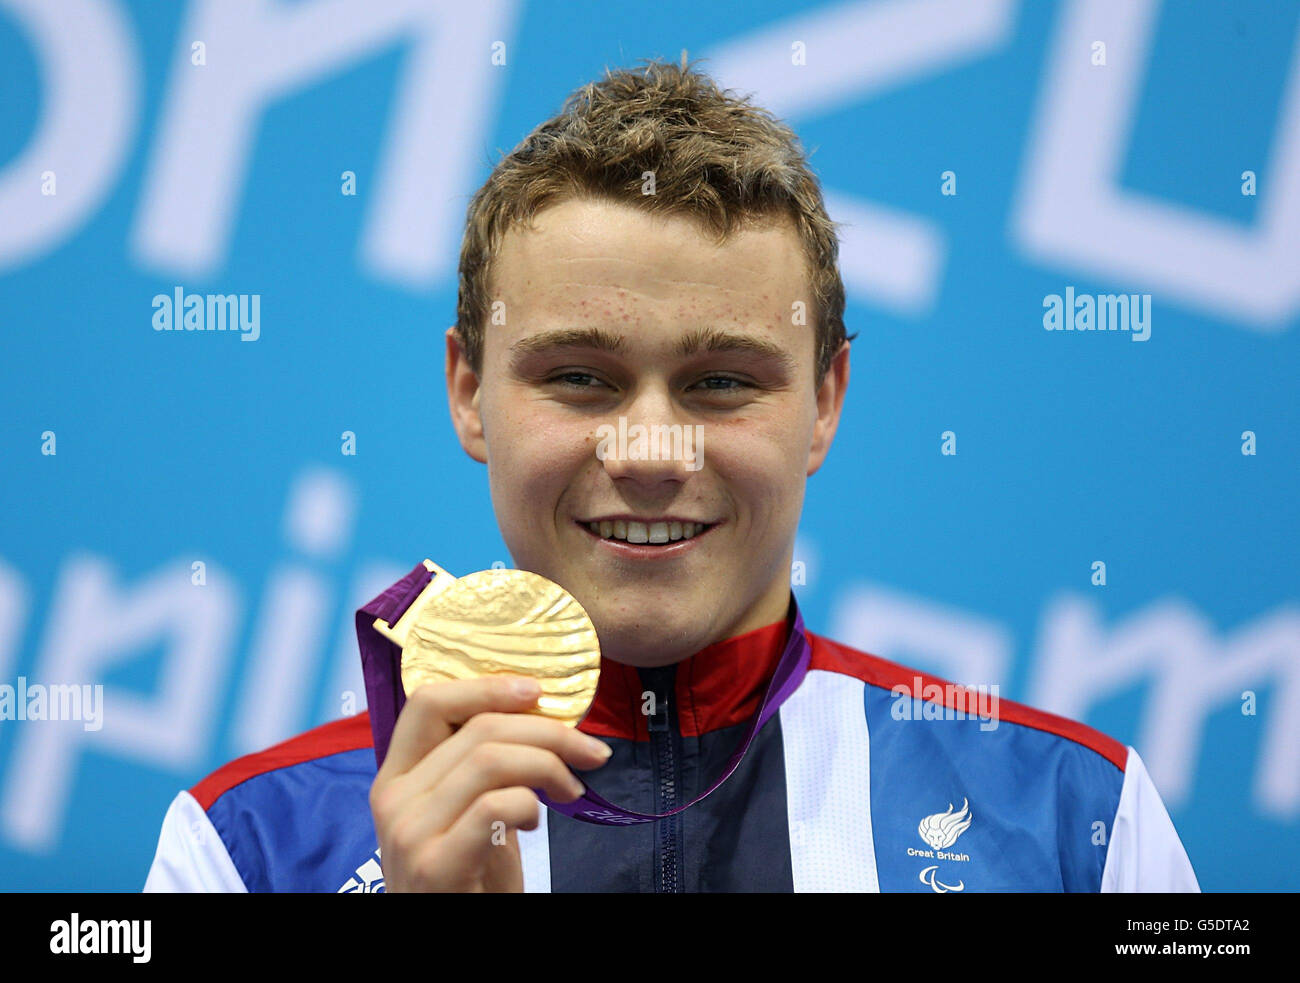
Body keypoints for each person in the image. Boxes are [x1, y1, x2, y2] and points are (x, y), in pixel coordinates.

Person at [143, 58, 1198, 893]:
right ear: (468, 389)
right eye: (578, 377)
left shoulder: (1072, 820)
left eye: (721, 381)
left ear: (825, 400)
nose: (650, 453)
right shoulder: (247, 849)